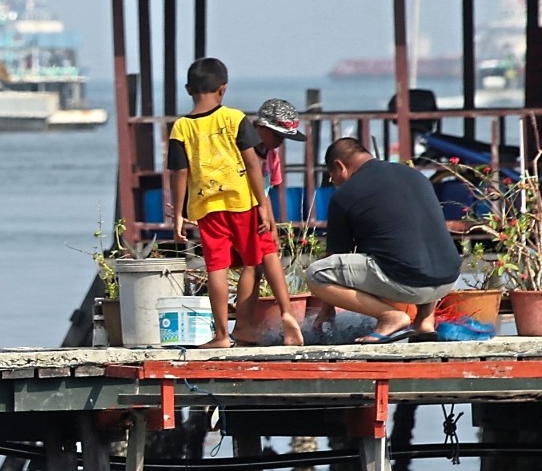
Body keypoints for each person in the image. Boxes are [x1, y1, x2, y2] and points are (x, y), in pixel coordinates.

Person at [166, 58, 283, 349]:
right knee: (251, 264)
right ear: (223, 89)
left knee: (216, 267)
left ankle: (221, 336)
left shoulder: (181, 127)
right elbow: (253, 166)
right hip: (242, 202)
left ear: (188, 89)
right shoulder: (235, 118)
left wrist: (179, 214)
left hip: (207, 207)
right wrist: (262, 204)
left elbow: (179, 173)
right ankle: (244, 327)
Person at [308, 137, 462, 342]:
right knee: (420, 246)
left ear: (340, 166)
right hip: (447, 278)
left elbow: (336, 256)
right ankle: (424, 323)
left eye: (332, 177)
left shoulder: (344, 194)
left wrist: (328, 307)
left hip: (408, 281)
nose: (333, 182)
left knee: (317, 273)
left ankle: (390, 316)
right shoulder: (415, 176)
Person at [237, 98, 310, 347]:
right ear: (261, 128)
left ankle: (247, 326)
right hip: (240, 209)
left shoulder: (271, 156)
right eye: (277, 135)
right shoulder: (244, 152)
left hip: (259, 211)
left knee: (258, 264)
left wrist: (271, 221)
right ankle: (282, 313)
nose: (280, 142)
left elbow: (266, 192)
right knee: (255, 262)